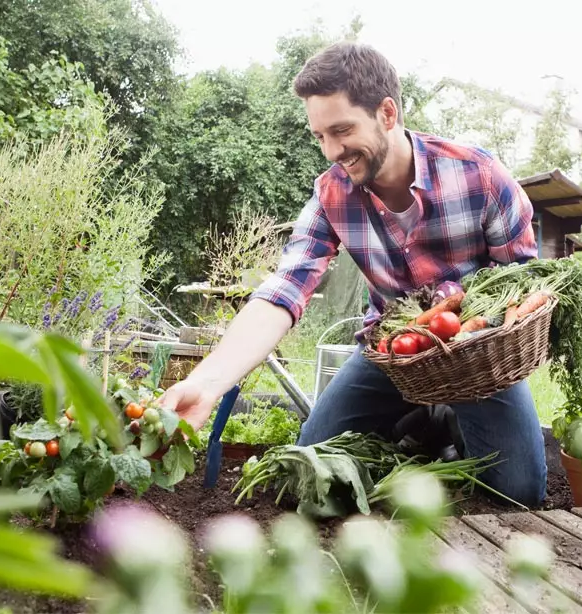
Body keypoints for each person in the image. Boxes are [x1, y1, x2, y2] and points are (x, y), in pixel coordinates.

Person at [156, 41, 548, 506]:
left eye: (341, 130)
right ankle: (422, 425)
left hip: (477, 361)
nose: (330, 151)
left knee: (519, 493)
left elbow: (524, 285)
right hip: (391, 351)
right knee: (310, 468)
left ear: (387, 113)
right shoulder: (332, 195)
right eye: (319, 135)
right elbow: (284, 289)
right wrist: (207, 382)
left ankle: (446, 416)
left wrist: (474, 339)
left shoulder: (479, 176)